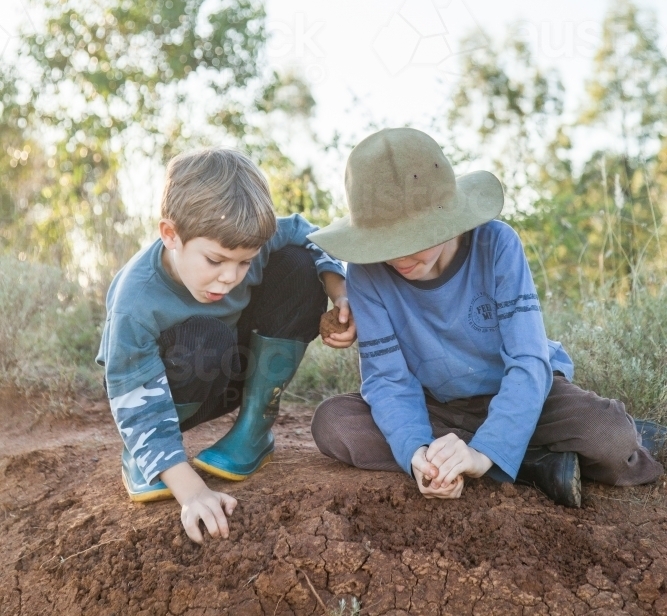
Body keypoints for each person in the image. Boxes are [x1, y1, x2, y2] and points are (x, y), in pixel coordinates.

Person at [309, 127, 665, 507]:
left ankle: (498, 453)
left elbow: (528, 361)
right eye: (386, 242)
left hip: (518, 391)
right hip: (435, 405)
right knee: (334, 424)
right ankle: (529, 462)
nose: (400, 256)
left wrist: (482, 452)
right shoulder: (365, 273)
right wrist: (417, 456)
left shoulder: (497, 244)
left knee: (609, 437)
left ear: (448, 216)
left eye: (416, 237)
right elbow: (388, 381)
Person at [97, 147, 355, 542]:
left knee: (300, 263)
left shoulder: (243, 243)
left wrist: (340, 293)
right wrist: (192, 491)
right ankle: (148, 458)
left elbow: (311, 234)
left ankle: (254, 430)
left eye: (244, 262)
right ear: (171, 235)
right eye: (215, 261)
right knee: (203, 338)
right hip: (158, 393)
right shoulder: (135, 300)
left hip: (233, 373)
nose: (229, 277)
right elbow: (131, 397)